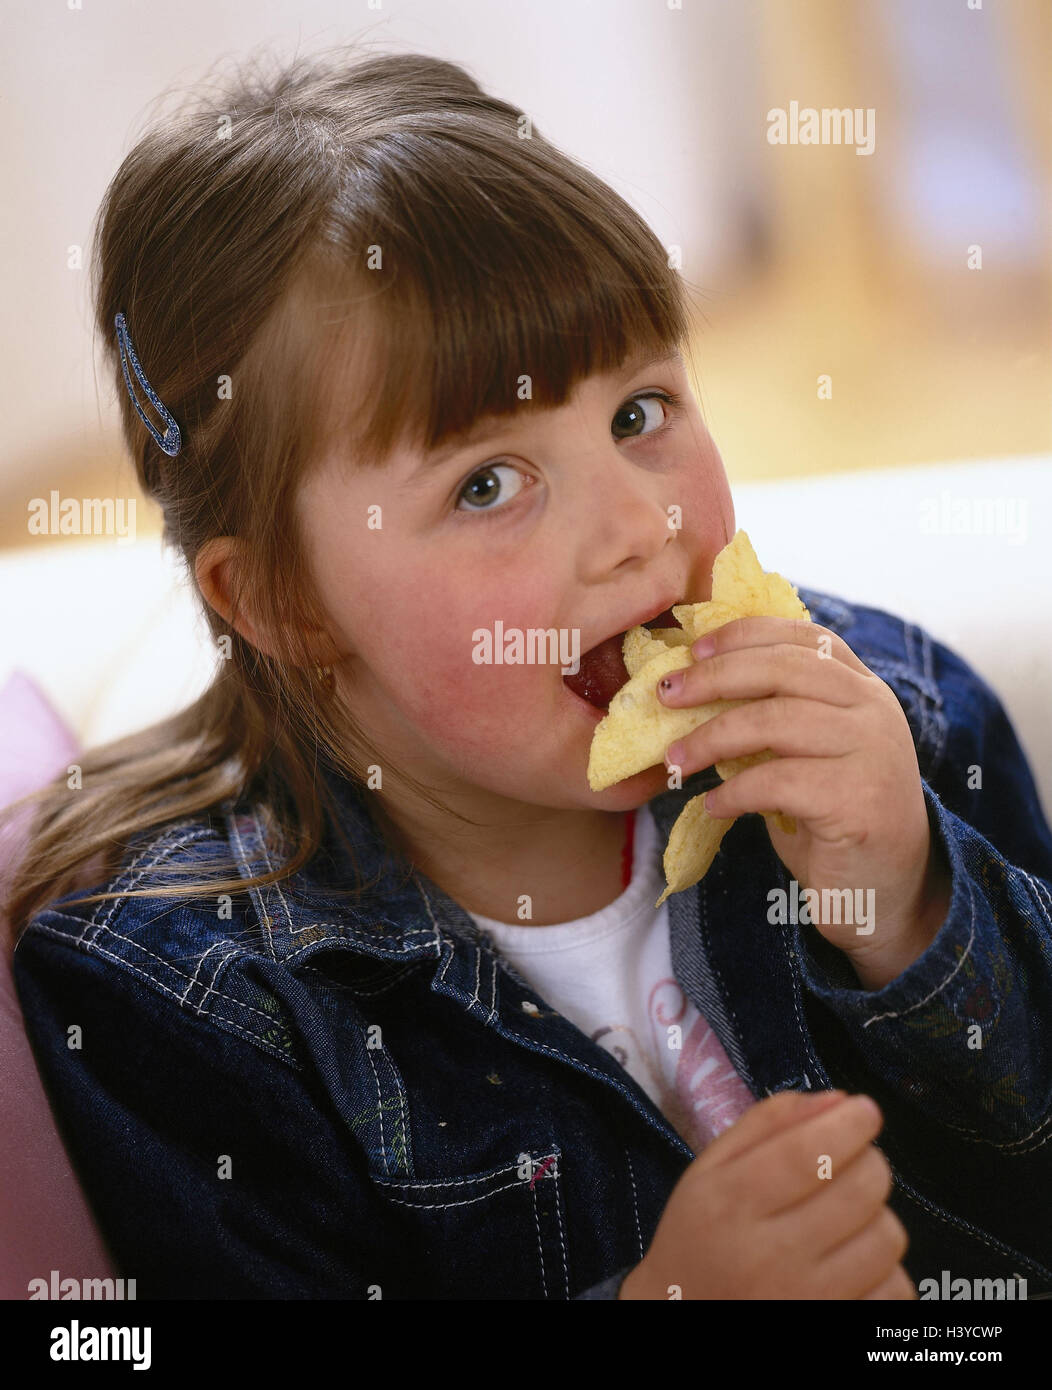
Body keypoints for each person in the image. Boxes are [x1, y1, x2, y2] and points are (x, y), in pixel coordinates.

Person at [6, 44, 1052, 1300]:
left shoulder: (890, 711)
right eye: (488, 483)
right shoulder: (184, 997)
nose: (638, 528)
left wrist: (909, 909)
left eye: (637, 412)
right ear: (283, 599)